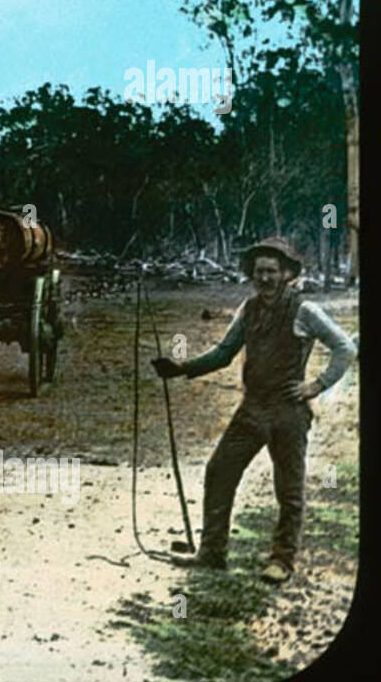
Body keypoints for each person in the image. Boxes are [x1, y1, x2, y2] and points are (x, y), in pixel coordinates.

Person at [151, 238, 356, 584]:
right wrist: (181, 367)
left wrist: (316, 386)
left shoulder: (304, 311)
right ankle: (212, 553)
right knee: (219, 471)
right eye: (259, 271)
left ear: (287, 274)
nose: (265, 278)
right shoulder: (248, 309)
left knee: (288, 488)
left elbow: (345, 347)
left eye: (272, 271)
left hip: (289, 413)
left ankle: (282, 560)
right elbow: (223, 353)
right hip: (253, 409)